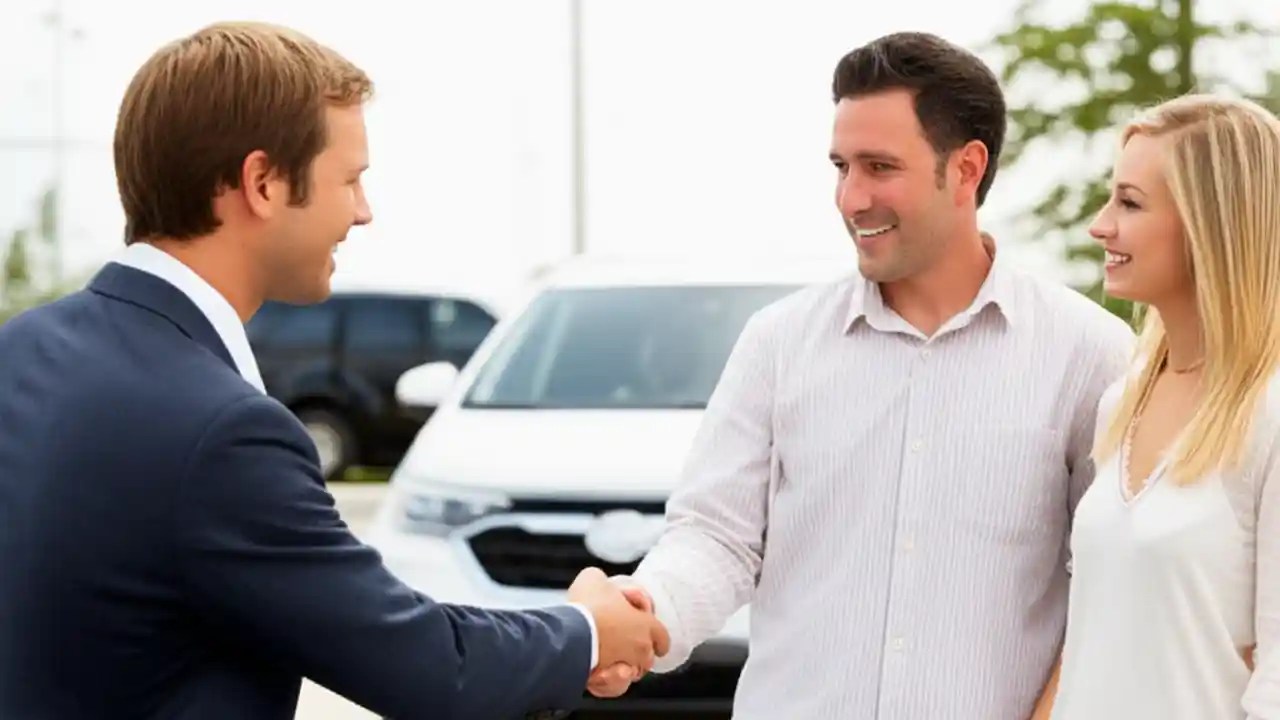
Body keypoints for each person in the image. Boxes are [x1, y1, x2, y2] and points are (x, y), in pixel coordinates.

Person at [0, 21, 667, 720]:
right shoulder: (224, 433)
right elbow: (428, 667)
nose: (364, 212)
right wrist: (588, 633)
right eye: (349, 180)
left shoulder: (20, 350)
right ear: (262, 183)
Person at [584, 31, 1136, 718]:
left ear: (966, 168)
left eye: (880, 167)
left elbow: (1113, 583)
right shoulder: (778, 343)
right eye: (842, 167)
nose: (851, 198)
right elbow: (715, 538)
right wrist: (640, 617)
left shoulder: (1090, 354)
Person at [1041, 94, 1280, 719]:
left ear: (1211, 224)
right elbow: (1093, 639)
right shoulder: (1122, 401)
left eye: (1130, 203)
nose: (1100, 226)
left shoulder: (1270, 414)